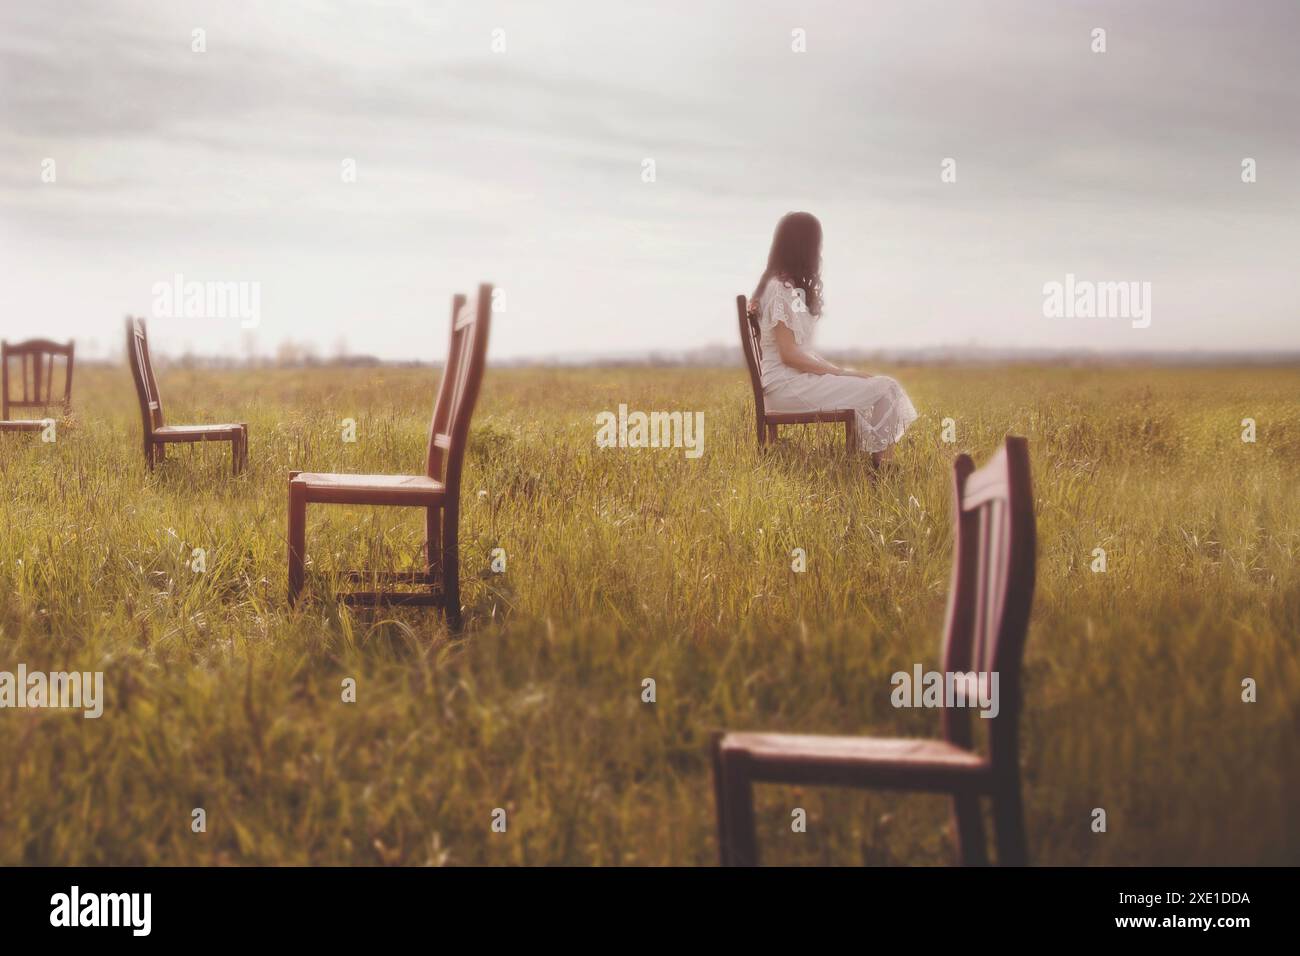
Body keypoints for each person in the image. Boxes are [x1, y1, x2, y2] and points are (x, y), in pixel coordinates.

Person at [750, 211, 917, 463]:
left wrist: (837, 371)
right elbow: (789, 355)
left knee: (878, 385)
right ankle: (880, 465)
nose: (819, 252)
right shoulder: (779, 290)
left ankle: (876, 461)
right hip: (787, 386)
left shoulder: (784, 288)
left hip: (789, 383)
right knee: (886, 388)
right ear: (804, 246)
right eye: (817, 244)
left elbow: (797, 352)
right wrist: (840, 374)